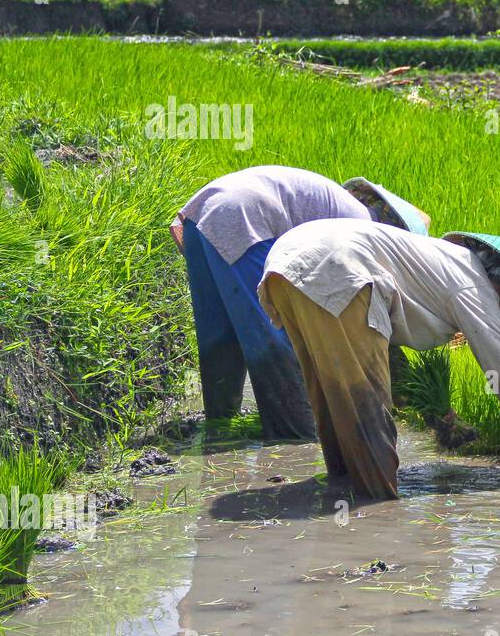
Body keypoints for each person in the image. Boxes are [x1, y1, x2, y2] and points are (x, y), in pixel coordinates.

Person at [259, 219, 500, 500]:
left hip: (286, 266)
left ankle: (339, 492)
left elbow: (379, 346)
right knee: (368, 409)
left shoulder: (442, 263)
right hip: (340, 267)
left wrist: (431, 410)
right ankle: (378, 509)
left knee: (331, 396)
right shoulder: (473, 283)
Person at [171, 166, 427, 440]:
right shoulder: (363, 229)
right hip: (243, 220)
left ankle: (220, 426)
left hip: (200, 215)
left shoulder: (343, 206)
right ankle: (293, 438)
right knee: (274, 332)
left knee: (219, 332)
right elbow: (347, 307)